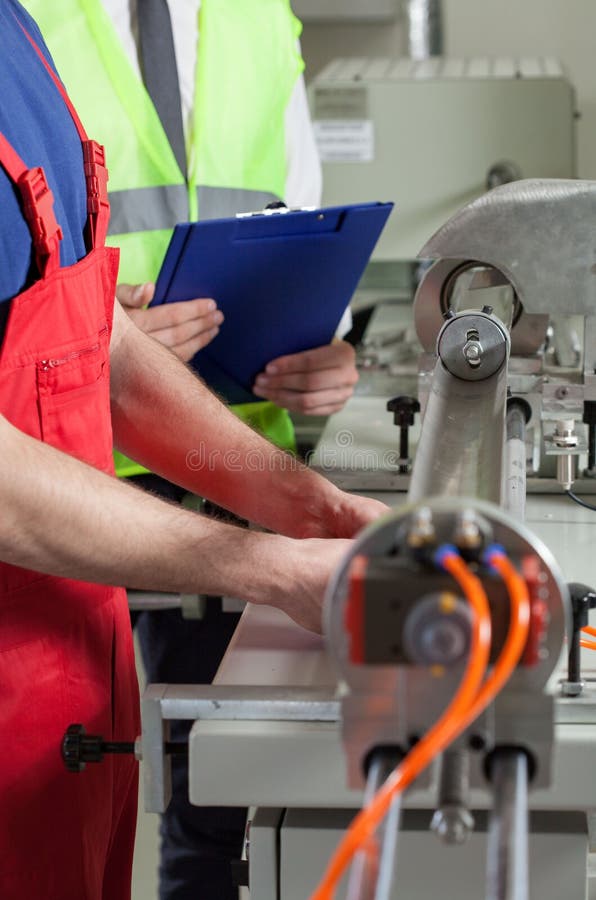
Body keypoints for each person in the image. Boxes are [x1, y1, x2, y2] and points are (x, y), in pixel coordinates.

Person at [0, 4, 387, 899]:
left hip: (63, 692)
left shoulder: (16, 35)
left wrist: (305, 506)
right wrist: (270, 566)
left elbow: (93, 336)